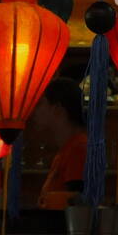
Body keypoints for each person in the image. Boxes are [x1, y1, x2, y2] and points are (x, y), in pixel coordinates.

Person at [34, 77, 88, 211]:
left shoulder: (78, 149)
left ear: (57, 109)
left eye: (40, 104)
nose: (35, 111)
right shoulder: (66, 149)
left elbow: (76, 207)